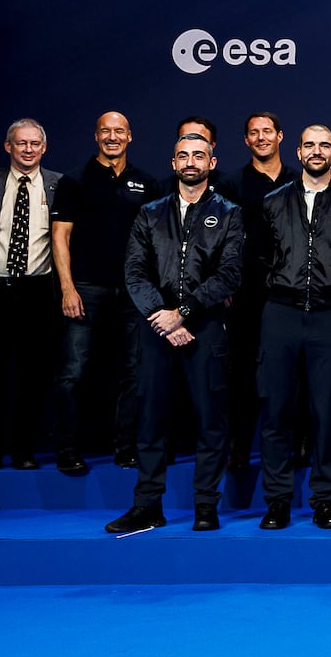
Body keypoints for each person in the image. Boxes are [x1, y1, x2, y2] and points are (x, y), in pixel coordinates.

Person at [104, 131, 243, 534]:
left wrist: (183, 313)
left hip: (205, 328)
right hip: (156, 330)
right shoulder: (150, 213)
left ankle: (206, 505)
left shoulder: (229, 213)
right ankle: (147, 505)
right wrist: (161, 317)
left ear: (211, 163)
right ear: (173, 163)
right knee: (150, 419)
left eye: (199, 155)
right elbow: (134, 271)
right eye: (183, 155)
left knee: (211, 420)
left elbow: (230, 273)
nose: (190, 162)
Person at [256, 125, 331, 530]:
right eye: (310, 145)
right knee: (276, 411)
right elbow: (260, 256)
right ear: (299, 151)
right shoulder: (272, 201)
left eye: (325, 146)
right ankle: (277, 501)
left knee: (329, 412)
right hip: (281, 313)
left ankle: (324, 500)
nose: (318, 152)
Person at [52, 111, 157, 473]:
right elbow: (60, 236)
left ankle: (126, 448)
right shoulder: (74, 180)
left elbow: (154, 241)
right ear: (96, 136)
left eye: (119, 131)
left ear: (129, 136)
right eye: (105, 131)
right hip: (85, 288)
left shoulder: (145, 183)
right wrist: (67, 288)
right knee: (73, 372)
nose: (112, 137)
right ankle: (67, 449)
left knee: (133, 372)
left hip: (132, 292)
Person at [0, 119, 65, 475]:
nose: (28, 149)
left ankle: (24, 452)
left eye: (35, 143)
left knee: (33, 378)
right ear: (8, 146)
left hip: (38, 292)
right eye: (21, 143)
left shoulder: (58, 185)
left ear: (44, 148)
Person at [225, 111, 297, 470]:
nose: (261, 137)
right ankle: (239, 447)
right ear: (246, 140)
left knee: (290, 372)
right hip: (246, 291)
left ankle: (290, 448)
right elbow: (222, 238)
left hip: (291, 290)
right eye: (254, 133)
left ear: (280, 136)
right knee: (243, 372)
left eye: (267, 131)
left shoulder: (298, 180)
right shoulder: (232, 183)